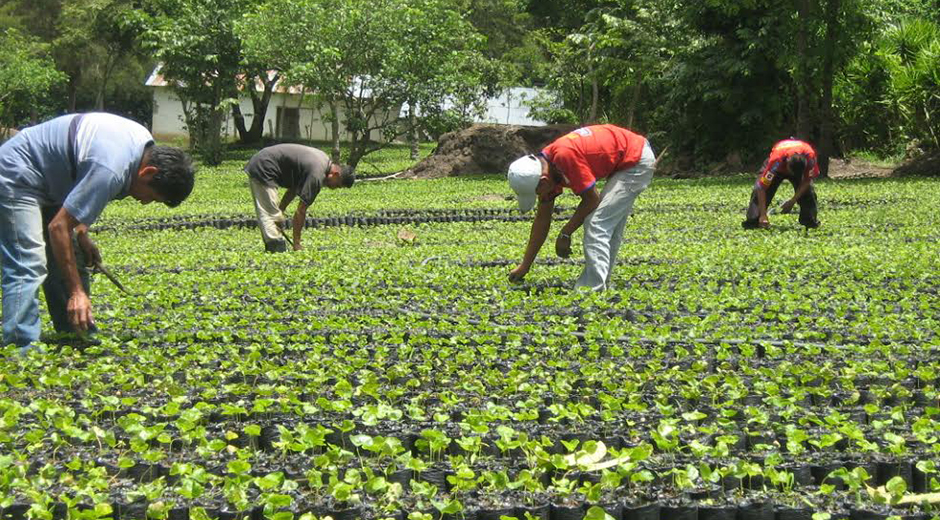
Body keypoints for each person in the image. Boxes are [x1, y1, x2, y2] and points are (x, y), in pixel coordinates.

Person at [0, 112, 195, 353]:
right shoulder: (112, 167)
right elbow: (58, 227)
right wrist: (76, 291)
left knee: (72, 253)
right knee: (27, 260)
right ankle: (21, 345)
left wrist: (82, 234)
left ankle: (74, 332)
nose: (144, 203)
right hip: (18, 173)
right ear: (148, 173)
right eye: (151, 197)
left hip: (52, 181)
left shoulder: (142, 147)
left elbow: (83, 190)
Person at [507, 124, 656, 291]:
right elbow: (542, 219)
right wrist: (525, 265)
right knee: (607, 226)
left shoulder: (564, 157)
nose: (539, 196)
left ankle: (593, 291)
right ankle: (601, 284)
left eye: (536, 192)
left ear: (543, 181)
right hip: (624, 159)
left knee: (597, 223)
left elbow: (592, 199)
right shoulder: (545, 168)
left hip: (635, 159)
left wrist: (566, 233)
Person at [244, 144, 355, 252]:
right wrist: (297, 244)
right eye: (337, 185)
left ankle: (276, 245)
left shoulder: (324, 161)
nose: (334, 188)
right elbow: (301, 211)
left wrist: (281, 209)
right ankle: (276, 248)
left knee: (274, 213)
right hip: (263, 166)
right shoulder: (316, 175)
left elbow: (294, 188)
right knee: (270, 215)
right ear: (335, 174)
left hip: (265, 162)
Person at [743, 139, 821, 229]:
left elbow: (807, 181)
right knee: (759, 191)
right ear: (787, 164)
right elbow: (762, 187)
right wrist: (763, 215)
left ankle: (810, 222)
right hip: (778, 165)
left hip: (797, 164)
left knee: (808, 192)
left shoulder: (810, 159)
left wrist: (792, 201)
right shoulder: (776, 162)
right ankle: (754, 221)